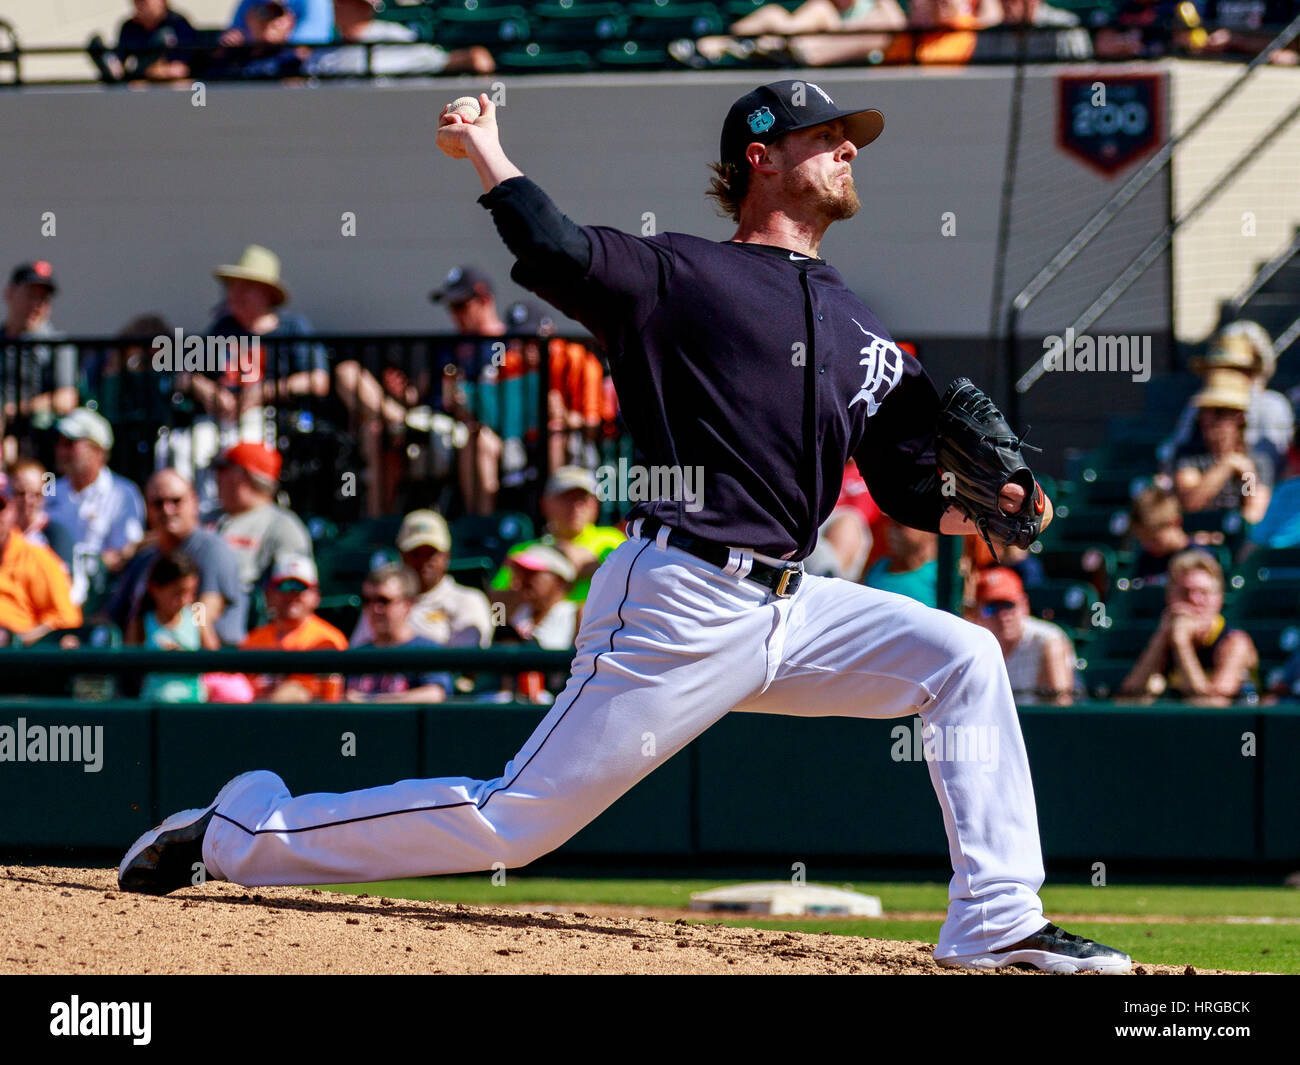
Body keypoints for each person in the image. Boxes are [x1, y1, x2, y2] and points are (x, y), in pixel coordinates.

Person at [120, 79, 1131, 975]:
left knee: (962, 656)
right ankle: (241, 829)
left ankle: (997, 920)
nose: (847, 146)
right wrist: (486, 145)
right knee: (515, 822)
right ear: (760, 158)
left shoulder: (862, 326)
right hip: (680, 598)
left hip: (793, 604)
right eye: (824, 134)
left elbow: (907, 485)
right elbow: (556, 251)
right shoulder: (680, 277)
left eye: (848, 135)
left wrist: (987, 511)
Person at [109, 469, 248, 648]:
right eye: (158, 503)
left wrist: (173, 637)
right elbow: (118, 614)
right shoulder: (144, 558)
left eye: (176, 501)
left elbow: (206, 610)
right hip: (148, 664)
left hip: (205, 663)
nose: (167, 510)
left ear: (194, 502)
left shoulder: (212, 550)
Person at [1120, 549, 1257, 704]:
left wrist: (1181, 643)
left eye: (1203, 593)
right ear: (1170, 597)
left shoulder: (1235, 643)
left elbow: (1213, 707)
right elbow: (1128, 700)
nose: (1194, 600)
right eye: (1185, 593)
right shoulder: (1166, 638)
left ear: (1219, 598)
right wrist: (1161, 637)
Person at [1165, 321, 1292, 482]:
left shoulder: (1272, 405)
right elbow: (1176, 454)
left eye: (1235, 369)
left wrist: (1244, 475)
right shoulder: (1199, 403)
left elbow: (1268, 468)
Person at [44, 408, 146, 609]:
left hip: (101, 599)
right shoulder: (49, 491)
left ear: (98, 450)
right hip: (51, 593)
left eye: (70, 444)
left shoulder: (123, 493)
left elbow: (122, 554)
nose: (61, 451)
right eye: (60, 443)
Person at [350, 509, 494, 649]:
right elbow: (359, 657)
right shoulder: (378, 602)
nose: (424, 561)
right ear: (401, 555)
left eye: (431, 553)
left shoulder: (468, 600)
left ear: (446, 556)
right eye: (415, 553)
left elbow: (466, 667)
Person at [491, 466, 625, 609]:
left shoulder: (612, 539)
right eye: (567, 498)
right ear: (545, 504)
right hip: (538, 625)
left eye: (583, 498)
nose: (576, 506)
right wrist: (521, 592)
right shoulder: (523, 550)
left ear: (595, 505)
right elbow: (496, 603)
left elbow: (627, 579)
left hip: (596, 623)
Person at [672, 0, 907, 68]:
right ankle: (730, 44)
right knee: (773, 14)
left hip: (824, 49)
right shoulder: (824, 8)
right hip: (802, 39)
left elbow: (895, 23)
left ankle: (745, 46)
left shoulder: (877, 9)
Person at [241, 554, 348, 702]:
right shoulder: (253, 640)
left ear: (315, 595)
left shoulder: (328, 639)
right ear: (270, 593)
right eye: (284, 586)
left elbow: (323, 697)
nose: (292, 595)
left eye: (300, 587)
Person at [1, 261, 78, 463]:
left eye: (44, 299)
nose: (37, 305)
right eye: (31, 295)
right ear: (9, 293)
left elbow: (65, 400)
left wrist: (14, 409)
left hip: (39, 434)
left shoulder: (58, 344)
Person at [1173, 369, 1272, 525]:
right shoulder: (1187, 457)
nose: (1208, 419)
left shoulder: (1258, 461)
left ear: (1239, 417)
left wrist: (1248, 476)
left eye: (1219, 412)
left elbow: (1254, 514)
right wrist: (1226, 465)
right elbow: (1190, 503)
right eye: (1204, 412)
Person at [345, 564, 452, 704]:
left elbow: (436, 694)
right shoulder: (357, 654)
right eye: (367, 600)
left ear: (408, 604)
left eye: (384, 600)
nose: (374, 608)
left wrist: (372, 700)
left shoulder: (426, 650)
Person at [214, 441, 312, 591]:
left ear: (242, 477)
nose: (216, 478)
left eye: (223, 470)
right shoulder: (207, 518)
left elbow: (292, 593)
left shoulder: (282, 526)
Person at [969, 567, 1076, 705]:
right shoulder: (974, 646)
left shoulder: (1047, 640)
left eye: (1009, 605)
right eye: (991, 608)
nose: (1002, 616)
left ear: (1024, 605)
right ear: (976, 612)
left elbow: (1059, 707)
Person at [310, 0, 494, 78]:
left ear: (366, 7)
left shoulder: (392, 35)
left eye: (349, 2)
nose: (339, 6)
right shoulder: (326, 47)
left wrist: (469, 58)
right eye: (338, 1)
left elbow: (439, 60)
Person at [0, 480, 81, 646]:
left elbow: (66, 618)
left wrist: (18, 639)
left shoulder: (37, 558)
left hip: (16, 661)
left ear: (13, 511)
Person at [133, 550, 207, 704]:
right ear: (155, 589)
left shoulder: (197, 613)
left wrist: (183, 657)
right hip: (155, 707)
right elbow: (131, 668)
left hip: (195, 703)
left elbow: (213, 655)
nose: (185, 600)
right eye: (178, 593)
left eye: (191, 593)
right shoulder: (141, 622)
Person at [502, 543, 579, 650]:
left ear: (560, 580)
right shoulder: (510, 608)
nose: (520, 581)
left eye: (530, 573)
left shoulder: (578, 616)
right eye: (519, 573)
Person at [4, 459, 75, 568]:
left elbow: (63, 579)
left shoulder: (55, 534)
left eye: (36, 494)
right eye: (20, 493)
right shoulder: (4, 532)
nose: (29, 500)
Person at [114, 0, 199, 81]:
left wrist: (156, 71)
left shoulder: (178, 23)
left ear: (161, 1)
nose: (139, 4)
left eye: (144, 1)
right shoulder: (129, 27)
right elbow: (122, 65)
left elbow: (181, 68)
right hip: (138, 89)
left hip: (174, 88)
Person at [863, 518, 938, 606]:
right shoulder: (878, 567)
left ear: (929, 532)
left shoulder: (942, 574)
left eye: (900, 525)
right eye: (891, 524)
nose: (892, 531)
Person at [1128, 485, 1191, 583]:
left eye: (1154, 539)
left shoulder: (1198, 558)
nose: (1147, 545)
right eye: (1141, 540)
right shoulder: (1144, 561)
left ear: (1175, 523)